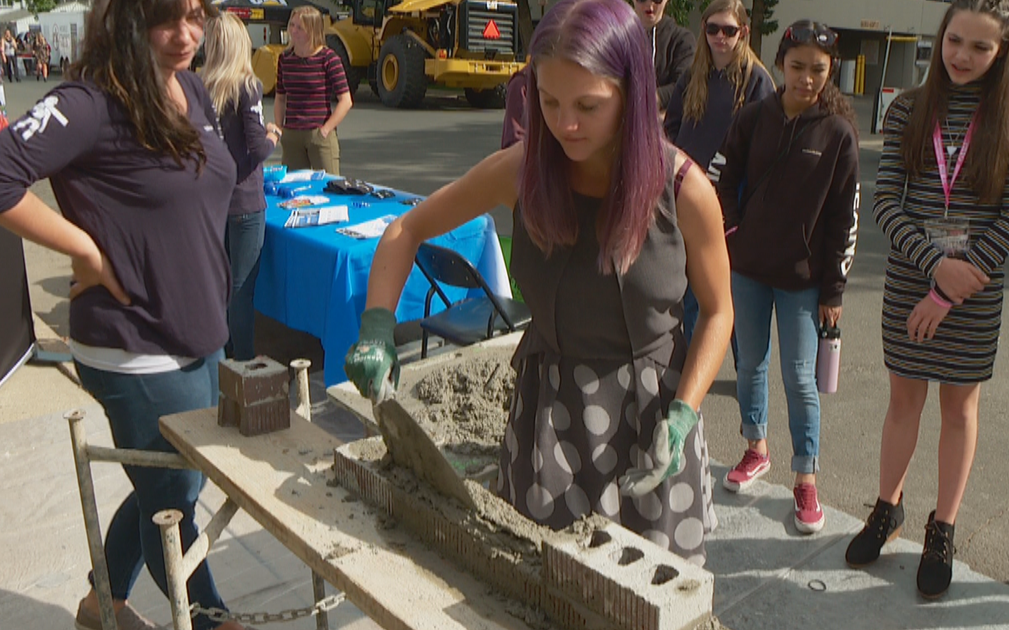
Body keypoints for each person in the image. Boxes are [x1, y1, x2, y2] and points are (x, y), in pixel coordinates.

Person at [345, 0, 733, 565]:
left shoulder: (684, 189)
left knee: (652, 587)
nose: (565, 124)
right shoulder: (523, 170)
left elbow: (719, 310)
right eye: (548, 102)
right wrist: (377, 326)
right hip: (551, 414)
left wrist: (685, 411)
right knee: (546, 581)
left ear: (633, 95)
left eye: (587, 105)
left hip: (655, 417)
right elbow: (406, 229)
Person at [0, 1, 256, 629]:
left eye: (197, 16)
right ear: (126, 21)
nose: (187, 35)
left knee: (169, 483)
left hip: (201, 333)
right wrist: (86, 247)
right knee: (171, 506)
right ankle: (212, 619)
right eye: (167, 20)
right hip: (135, 346)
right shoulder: (91, 103)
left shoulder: (194, 90)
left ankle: (101, 602)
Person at [843, 0, 1009, 599]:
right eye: (955, 41)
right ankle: (887, 507)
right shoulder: (908, 108)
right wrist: (935, 268)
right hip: (911, 280)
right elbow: (884, 203)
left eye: (980, 47)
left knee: (959, 409)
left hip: (975, 292)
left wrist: (955, 286)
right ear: (942, 37)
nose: (962, 56)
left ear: (1002, 51)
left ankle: (943, 527)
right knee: (904, 402)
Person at [715, 20, 859, 535]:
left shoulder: (838, 134)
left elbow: (845, 217)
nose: (806, 79)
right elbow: (723, 180)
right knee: (750, 363)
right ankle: (756, 448)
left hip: (802, 280)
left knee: (801, 379)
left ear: (830, 71)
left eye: (817, 70)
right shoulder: (754, 117)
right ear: (780, 65)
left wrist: (833, 289)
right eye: (797, 67)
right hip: (748, 270)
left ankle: (806, 476)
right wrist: (731, 235)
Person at [663, 0, 773, 347]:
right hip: (687, 200)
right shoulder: (692, 75)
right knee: (689, 297)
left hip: (731, 208)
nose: (720, 37)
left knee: (732, 300)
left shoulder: (757, 81)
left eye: (729, 30)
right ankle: (691, 383)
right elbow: (671, 130)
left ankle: (746, 377)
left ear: (744, 32)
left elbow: (762, 149)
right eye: (713, 29)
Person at [201, 12, 280, 360]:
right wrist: (273, 135)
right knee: (241, 289)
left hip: (213, 200)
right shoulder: (247, 86)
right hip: (245, 200)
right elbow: (257, 147)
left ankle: (222, 353)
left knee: (221, 285)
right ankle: (243, 363)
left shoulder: (201, 86)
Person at [274, 5, 351, 175]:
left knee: (329, 187)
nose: (294, 31)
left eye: (299, 27)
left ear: (312, 30)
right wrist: (280, 128)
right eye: (292, 25)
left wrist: (326, 129)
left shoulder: (329, 59)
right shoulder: (285, 58)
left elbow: (345, 100)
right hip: (292, 134)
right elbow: (280, 96)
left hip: (318, 133)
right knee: (293, 191)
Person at [630, 0, 695, 112]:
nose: (650, 5)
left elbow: (684, 85)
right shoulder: (618, 37)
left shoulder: (682, 39)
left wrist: (648, 101)